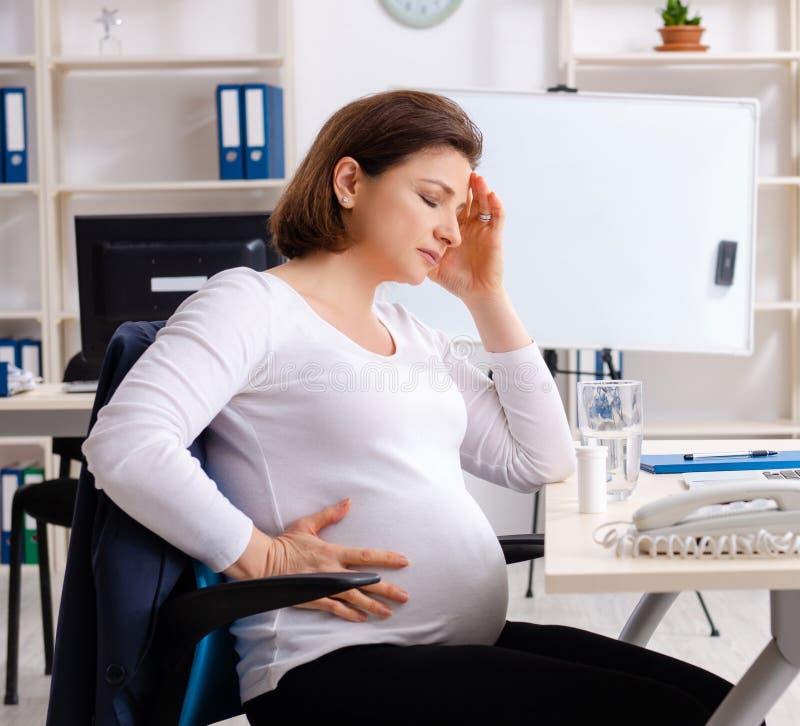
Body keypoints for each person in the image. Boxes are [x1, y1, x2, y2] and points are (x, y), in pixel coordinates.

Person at [82, 89, 737, 725]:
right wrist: (259, 556)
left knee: (728, 706)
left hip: (454, 651)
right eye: (431, 199)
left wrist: (486, 295)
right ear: (348, 182)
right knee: (673, 716)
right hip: (334, 673)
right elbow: (128, 444)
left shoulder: (414, 334)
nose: (451, 230)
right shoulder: (252, 305)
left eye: (458, 210)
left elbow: (542, 460)